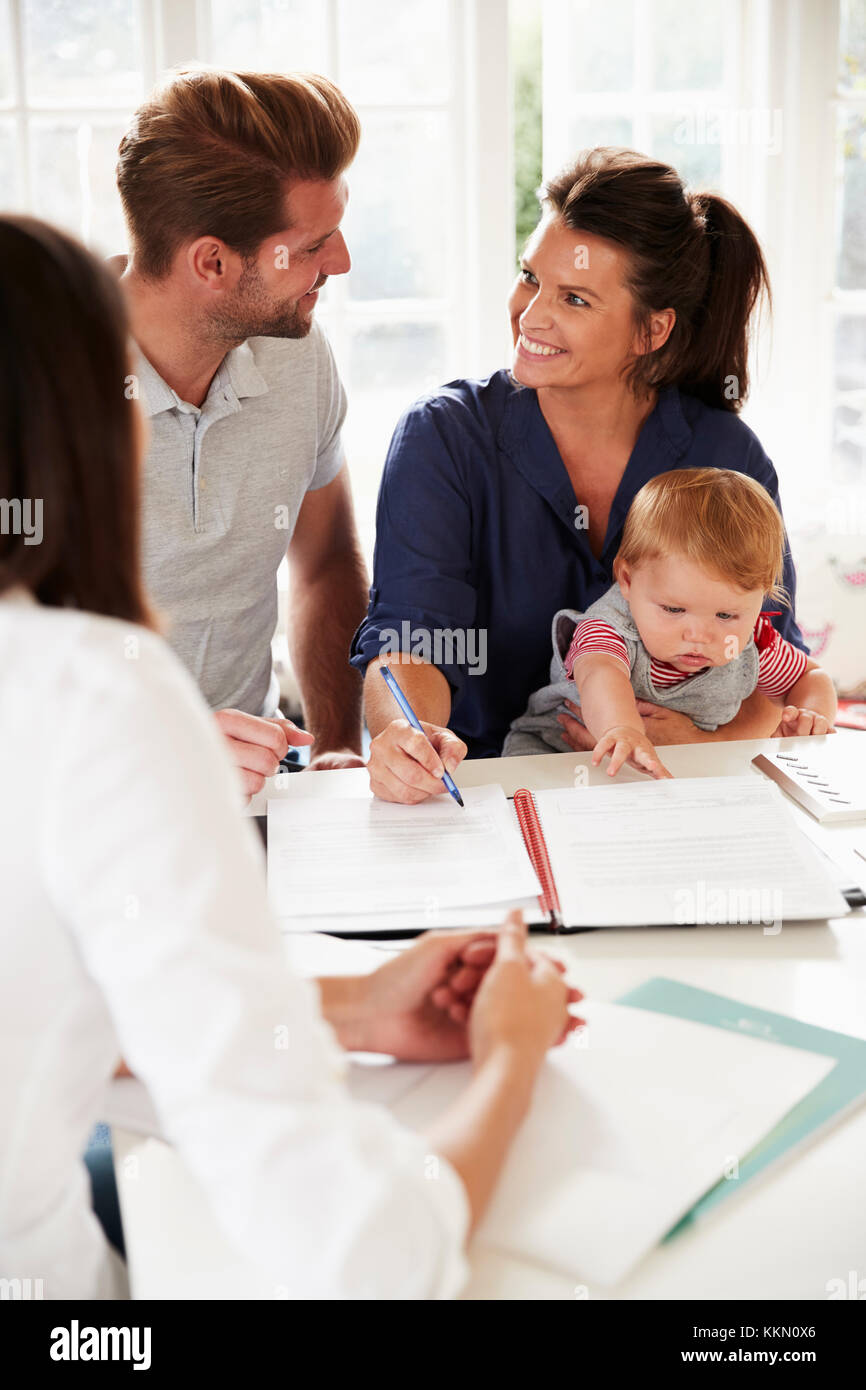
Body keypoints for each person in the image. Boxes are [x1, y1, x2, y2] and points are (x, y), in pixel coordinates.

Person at [0, 216, 582, 1300]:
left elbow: (35, 1014)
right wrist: (509, 1056)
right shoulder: (90, 691)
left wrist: (354, 1005)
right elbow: (366, 1264)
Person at [352, 148, 807, 804]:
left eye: (574, 297)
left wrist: (706, 746)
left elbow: (772, 666)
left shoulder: (727, 456)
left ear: (651, 330)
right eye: (528, 276)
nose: (530, 314)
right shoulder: (444, 438)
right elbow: (410, 641)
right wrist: (406, 732)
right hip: (482, 799)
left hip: (675, 797)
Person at [113, 68, 370, 797]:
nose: (341, 262)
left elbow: (323, 562)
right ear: (213, 263)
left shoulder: (297, 356)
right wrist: (163, 753)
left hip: (253, 796)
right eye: (314, 244)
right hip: (66, 813)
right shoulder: (34, 386)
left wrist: (335, 748)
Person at [504, 468, 837, 774]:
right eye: (674, 610)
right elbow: (599, 673)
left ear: (760, 597)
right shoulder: (608, 629)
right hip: (554, 756)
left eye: (725, 615)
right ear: (628, 581)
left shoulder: (754, 642)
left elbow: (810, 677)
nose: (698, 635)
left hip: (679, 769)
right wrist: (623, 730)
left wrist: (811, 717)